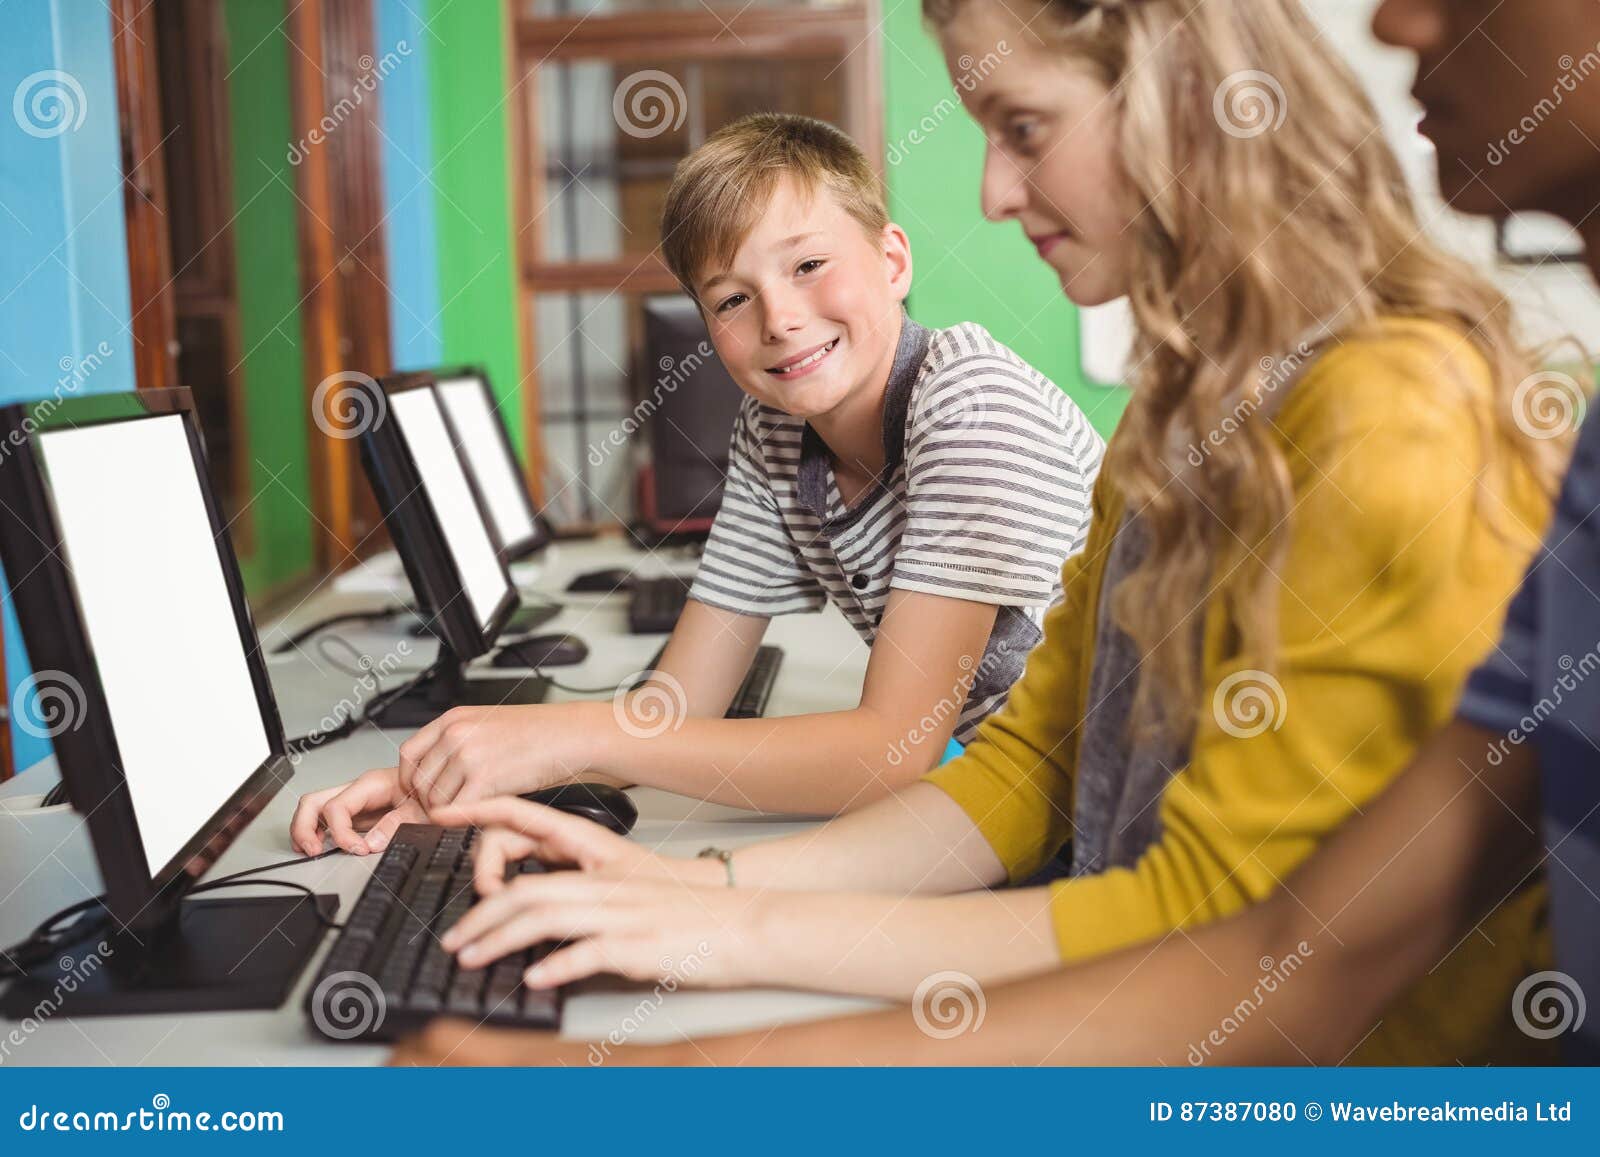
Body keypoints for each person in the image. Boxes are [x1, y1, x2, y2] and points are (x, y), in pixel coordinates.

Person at [390, 0, 1600, 1067]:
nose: (992, 192)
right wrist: (690, 893)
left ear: (1184, 92)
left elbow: (1236, 945)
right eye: (733, 300)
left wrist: (708, 971)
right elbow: (1032, 767)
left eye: (1022, 130)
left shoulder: (1382, 411)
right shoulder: (1175, 415)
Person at [289, 114, 1103, 848]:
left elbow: (890, 751)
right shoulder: (774, 429)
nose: (780, 319)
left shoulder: (971, 407)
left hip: (1115, 810)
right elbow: (680, 703)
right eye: (732, 299)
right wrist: (450, 781)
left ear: (891, 260)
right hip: (1012, 783)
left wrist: (572, 737)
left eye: (810, 264)